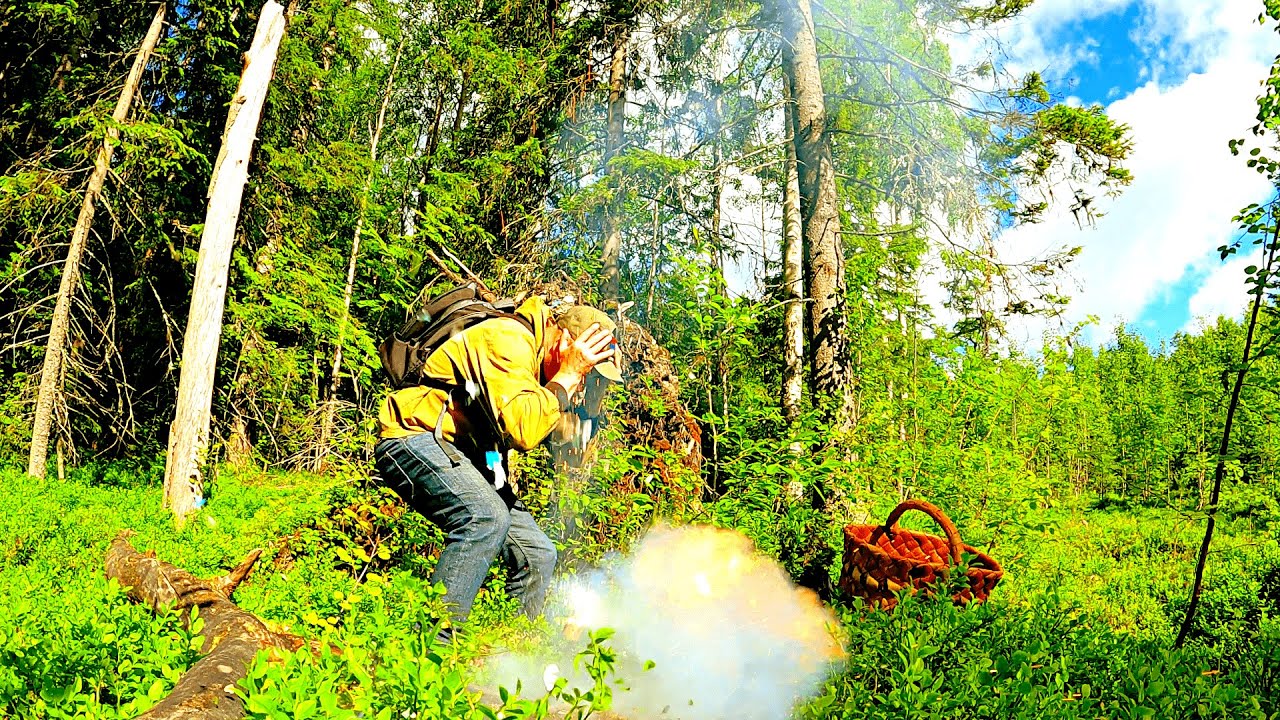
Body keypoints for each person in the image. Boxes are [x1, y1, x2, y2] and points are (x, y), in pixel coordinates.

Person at [374, 295, 621, 639]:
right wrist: (567, 376)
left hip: (468, 454)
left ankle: (510, 658)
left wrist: (503, 483)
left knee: (538, 553)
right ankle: (432, 650)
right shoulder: (508, 339)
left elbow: (500, 434)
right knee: (485, 517)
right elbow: (523, 430)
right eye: (587, 366)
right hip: (414, 437)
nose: (585, 376)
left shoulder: (533, 364)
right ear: (564, 342)